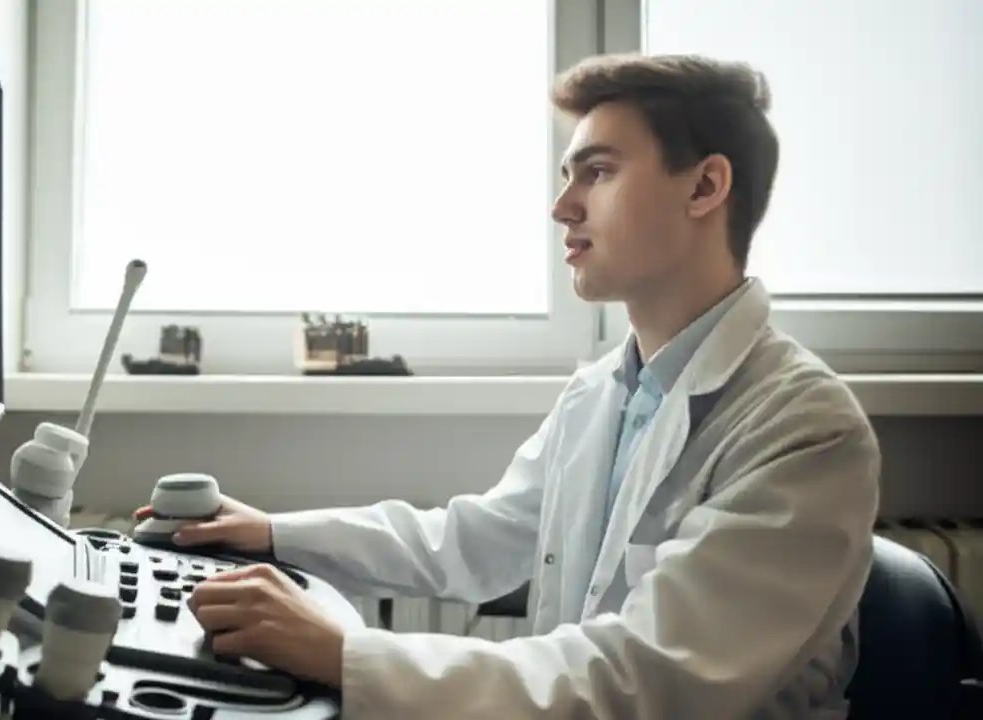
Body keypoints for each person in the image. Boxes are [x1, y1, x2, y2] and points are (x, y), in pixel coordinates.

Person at [137, 53, 881, 718]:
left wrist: (343, 653)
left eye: (598, 172)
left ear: (706, 186)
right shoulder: (603, 391)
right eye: (567, 177)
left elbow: (645, 681)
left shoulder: (805, 429)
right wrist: (274, 534)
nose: (563, 207)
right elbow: (474, 539)